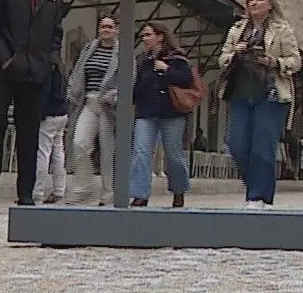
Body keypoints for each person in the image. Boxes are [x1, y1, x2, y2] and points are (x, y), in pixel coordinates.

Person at [0, 0, 67, 211]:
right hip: (0, 71)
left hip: (34, 72)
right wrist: (5, 58)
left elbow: (56, 32)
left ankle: (26, 192)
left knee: (29, 133)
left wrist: (51, 59)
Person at [216, 0, 301, 209]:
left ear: (270, 4)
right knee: (236, 144)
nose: (253, 3)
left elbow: (295, 61)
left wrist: (274, 62)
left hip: (270, 95)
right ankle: (256, 188)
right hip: (240, 93)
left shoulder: (282, 30)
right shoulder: (237, 29)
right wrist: (236, 52)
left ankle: (258, 197)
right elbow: (222, 59)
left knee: (262, 147)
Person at [128, 22, 195, 208]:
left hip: (171, 113)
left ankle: (178, 190)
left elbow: (186, 80)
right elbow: (137, 86)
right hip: (146, 112)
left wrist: (166, 70)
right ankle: (140, 194)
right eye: (143, 35)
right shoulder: (142, 61)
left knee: (174, 154)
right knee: (141, 151)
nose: (144, 39)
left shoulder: (177, 59)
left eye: (148, 35)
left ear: (160, 36)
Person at [65, 15, 121, 206]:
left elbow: (129, 79)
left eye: (110, 27)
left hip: (109, 106)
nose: (106, 30)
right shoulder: (89, 49)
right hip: (88, 101)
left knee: (107, 150)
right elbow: (78, 72)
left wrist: (115, 96)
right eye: (103, 26)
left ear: (117, 30)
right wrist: (73, 90)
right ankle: (83, 188)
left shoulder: (123, 54)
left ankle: (109, 192)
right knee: (79, 143)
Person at [33, 59, 69, 205]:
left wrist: (38, 114)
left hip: (48, 115)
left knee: (43, 153)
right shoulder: (60, 71)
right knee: (58, 153)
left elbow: (44, 95)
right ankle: (60, 190)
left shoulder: (46, 71)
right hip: (61, 113)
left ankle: (37, 192)